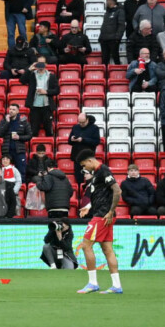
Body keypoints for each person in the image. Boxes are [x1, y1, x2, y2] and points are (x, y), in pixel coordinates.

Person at [75, 150, 123, 295]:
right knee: (107, 249)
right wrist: (88, 207)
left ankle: (92, 283)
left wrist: (110, 211)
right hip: (104, 214)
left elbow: (117, 191)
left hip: (102, 215)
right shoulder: (97, 174)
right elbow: (102, 195)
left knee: (86, 245)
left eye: (84, 165)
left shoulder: (103, 171)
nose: (85, 169)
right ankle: (116, 285)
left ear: (90, 161)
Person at [68, 112, 100, 183]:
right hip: (77, 157)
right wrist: (72, 139)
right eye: (80, 122)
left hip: (88, 157)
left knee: (89, 177)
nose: (81, 124)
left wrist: (83, 140)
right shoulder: (75, 127)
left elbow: (96, 141)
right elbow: (69, 141)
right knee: (78, 178)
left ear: (87, 120)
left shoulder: (94, 128)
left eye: (83, 122)